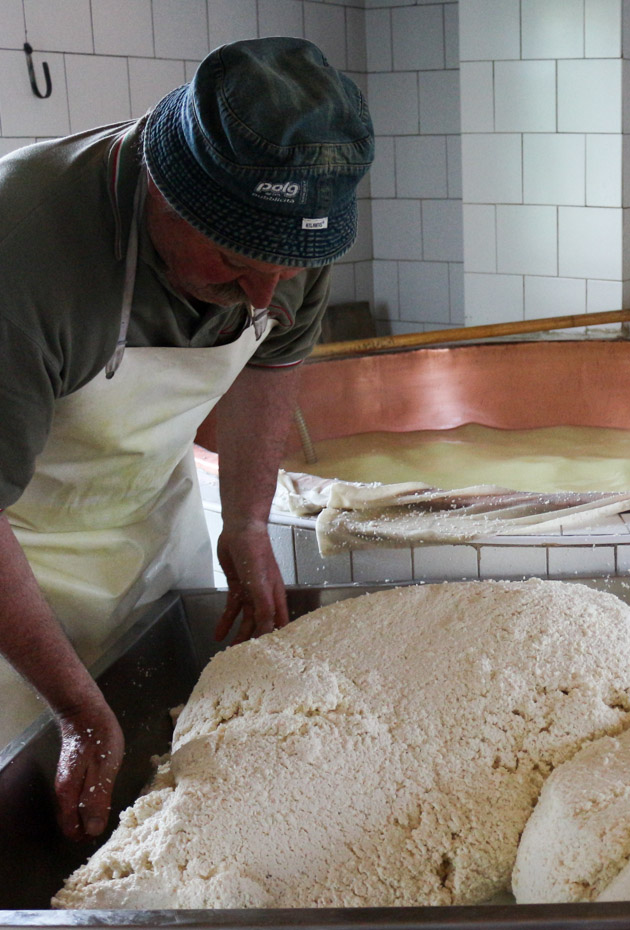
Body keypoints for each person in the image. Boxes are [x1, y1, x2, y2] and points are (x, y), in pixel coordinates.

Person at [0, 37, 373, 840]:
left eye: (288, 268)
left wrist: (244, 518)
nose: (267, 291)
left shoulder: (286, 244)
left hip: (147, 527)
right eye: (236, 265)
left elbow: (271, 359)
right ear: (165, 195)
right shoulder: (21, 250)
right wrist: (75, 708)